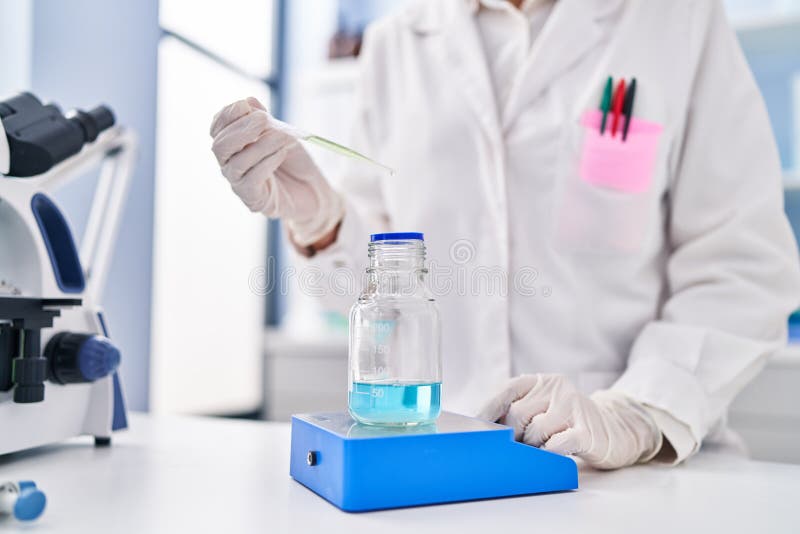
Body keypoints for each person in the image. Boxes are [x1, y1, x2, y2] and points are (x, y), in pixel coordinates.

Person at [209, 0, 800, 469]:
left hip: (635, 473)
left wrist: (636, 412)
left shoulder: (677, 17)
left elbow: (743, 264)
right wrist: (323, 221)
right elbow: (378, 296)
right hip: (445, 459)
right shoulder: (397, 43)